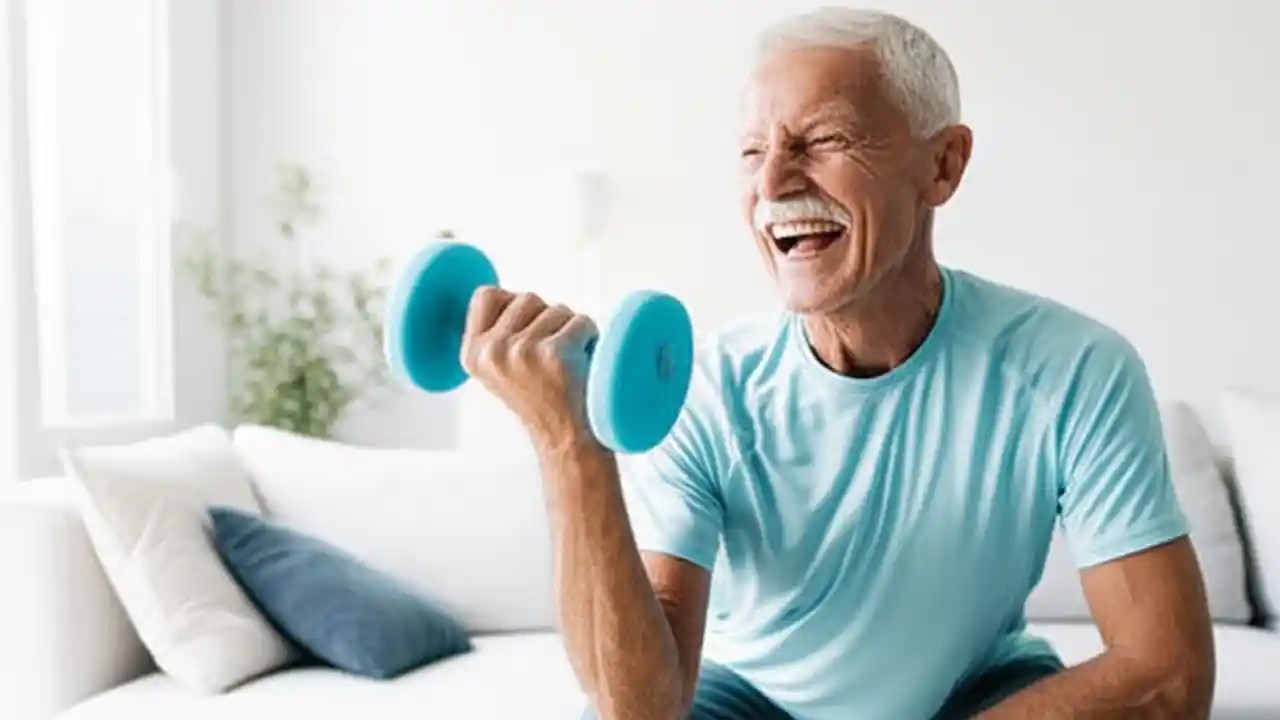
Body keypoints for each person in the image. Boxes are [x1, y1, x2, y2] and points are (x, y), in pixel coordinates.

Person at [458, 6, 1215, 719]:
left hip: (972, 690)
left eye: (824, 139)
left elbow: (1168, 676)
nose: (773, 182)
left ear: (943, 166)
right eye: (754, 150)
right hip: (754, 696)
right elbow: (641, 709)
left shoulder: (1074, 368)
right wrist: (569, 443)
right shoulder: (712, 390)